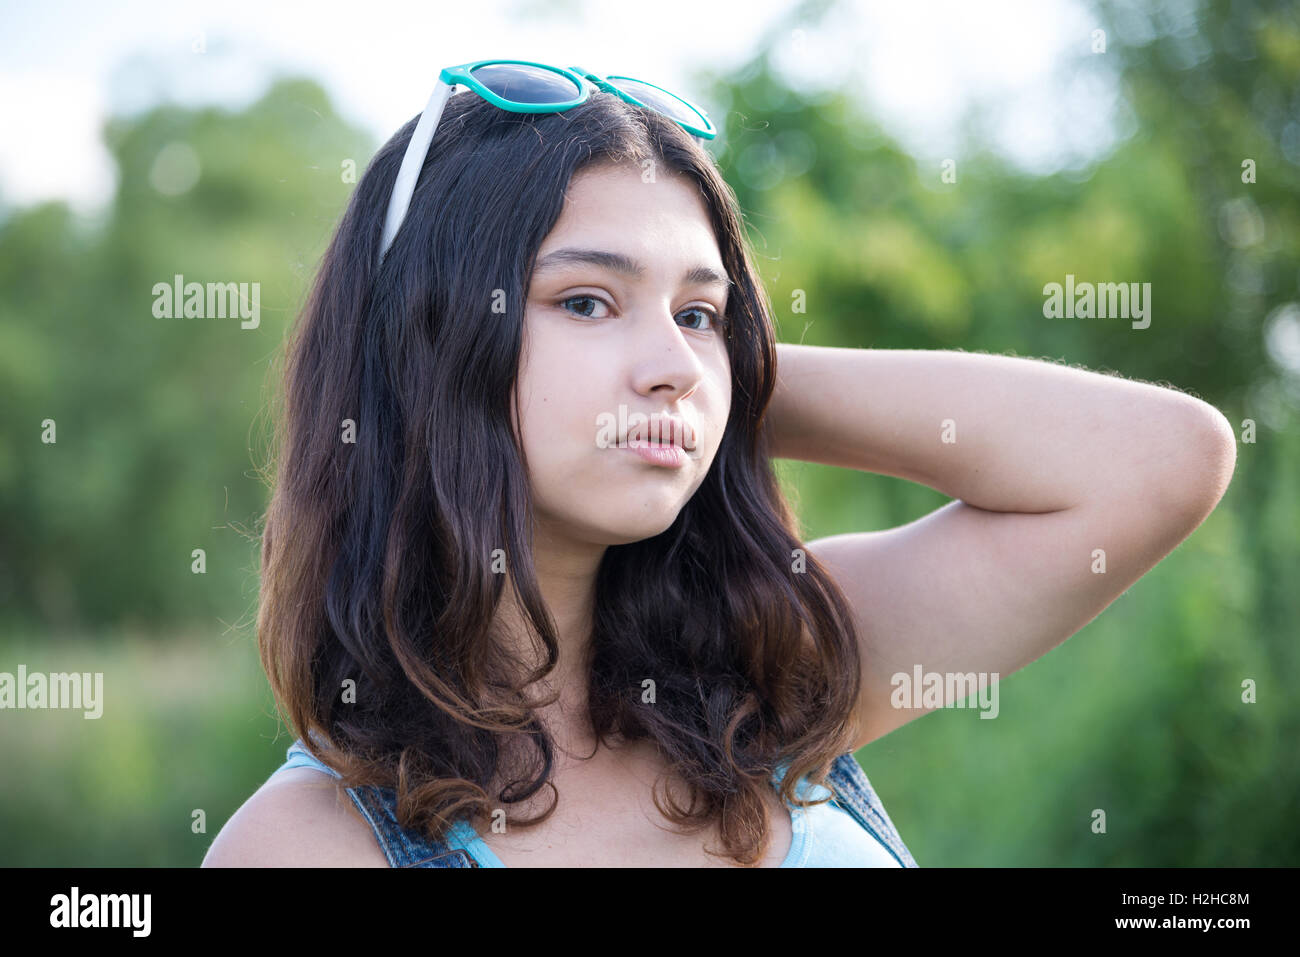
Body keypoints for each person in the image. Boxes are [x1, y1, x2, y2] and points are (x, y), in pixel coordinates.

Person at [203, 64, 1236, 869]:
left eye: (699, 310)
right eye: (586, 301)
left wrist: (722, 383)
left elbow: (1161, 460)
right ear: (426, 344)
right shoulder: (308, 844)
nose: (672, 364)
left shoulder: (778, 667)